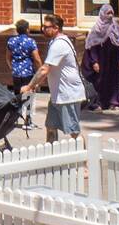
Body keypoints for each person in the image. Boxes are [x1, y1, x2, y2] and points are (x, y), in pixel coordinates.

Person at [21, 13, 85, 142]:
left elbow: (45, 69)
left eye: (46, 27)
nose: (42, 29)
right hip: (57, 94)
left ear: (56, 28)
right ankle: (51, 156)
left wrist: (29, 86)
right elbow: (51, 69)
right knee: (50, 126)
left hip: (68, 95)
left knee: (73, 131)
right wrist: (38, 83)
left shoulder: (59, 44)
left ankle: (86, 161)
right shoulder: (54, 42)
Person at [82, 5, 119, 110]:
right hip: (101, 59)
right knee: (100, 81)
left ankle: (114, 102)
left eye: (112, 13)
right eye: (108, 13)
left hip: (113, 60)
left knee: (114, 81)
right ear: (102, 14)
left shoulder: (116, 27)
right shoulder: (96, 29)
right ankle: (100, 103)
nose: (110, 15)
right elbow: (92, 46)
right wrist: (94, 62)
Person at [6, 19, 42, 127]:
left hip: (16, 73)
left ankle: (13, 119)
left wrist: (12, 68)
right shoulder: (30, 42)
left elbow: (7, 57)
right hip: (28, 73)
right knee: (29, 96)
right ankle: (28, 120)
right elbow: (36, 59)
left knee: (17, 96)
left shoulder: (11, 41)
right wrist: (40, 70)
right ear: (27, 29)